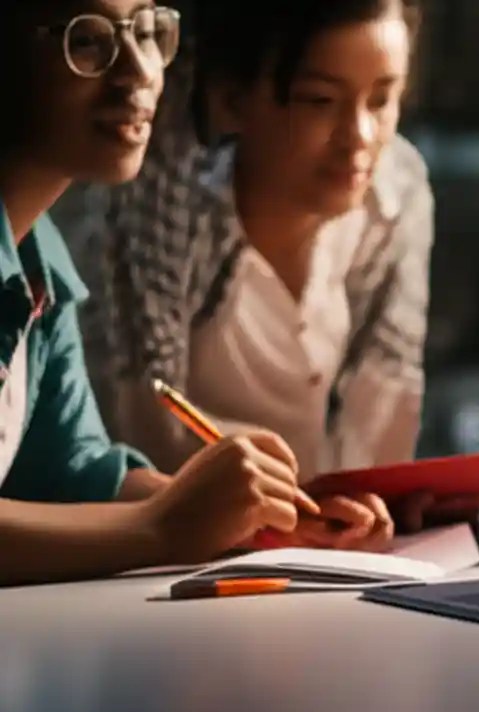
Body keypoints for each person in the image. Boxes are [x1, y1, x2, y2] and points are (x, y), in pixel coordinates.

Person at [0, 0, 334, 585]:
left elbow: (72, 476)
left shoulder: (36, 256)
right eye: (87, 40)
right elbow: (142, 519)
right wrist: (163, 526)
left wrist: (248, 515)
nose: (140, 72)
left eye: (150, 31)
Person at [71, 0, 435, 534]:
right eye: (320, 101)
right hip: (172, 541)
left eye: (383, 100)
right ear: (231, 97)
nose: (359, 136)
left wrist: (377, 510)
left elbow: (385, 400)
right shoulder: (163, 199)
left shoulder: (395, 195)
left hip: (321, 544)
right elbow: (146, 426)